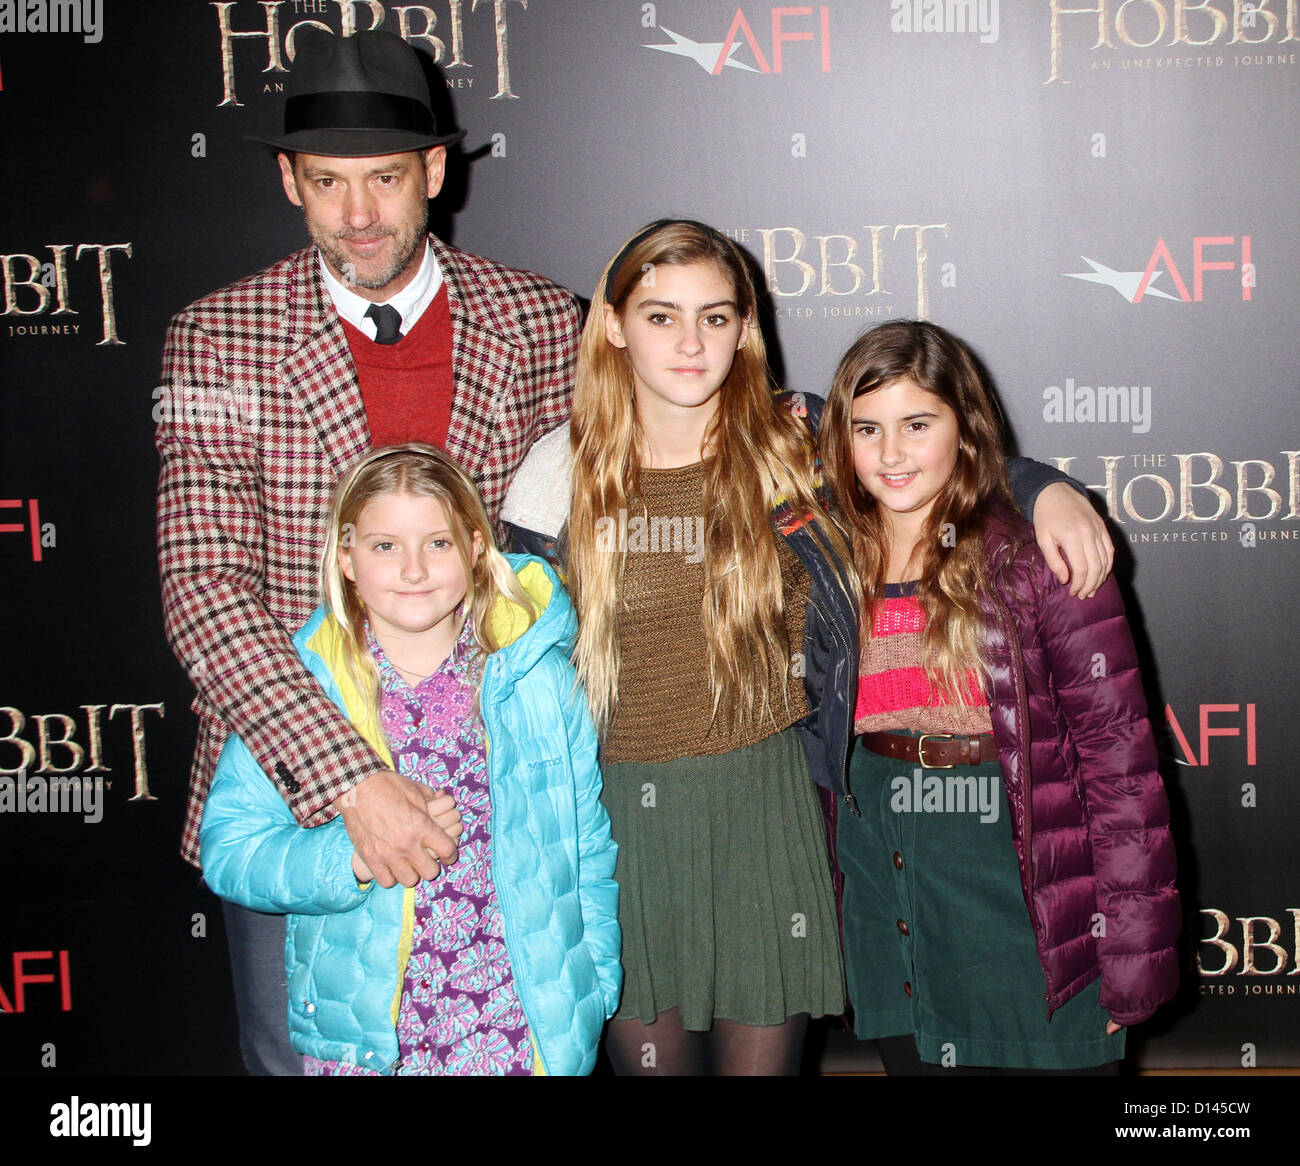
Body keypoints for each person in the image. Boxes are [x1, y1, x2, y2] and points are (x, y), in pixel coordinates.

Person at [501, 220, 1114, 1075]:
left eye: (716, 317)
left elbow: (926, 462)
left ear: (746, 329)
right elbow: (510, 670)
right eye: (661, 316)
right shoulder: (553, 474)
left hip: (770, 810)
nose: (690, 342)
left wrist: (1044, 489)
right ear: (612, 325)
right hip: (620, 827)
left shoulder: (796, 443)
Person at [155, 30, 580, 1073]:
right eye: (326, 182)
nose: (357, 216)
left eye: (384, 179)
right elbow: (204, 590)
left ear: (434, 171)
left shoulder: (538, 321)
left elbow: (688, 450)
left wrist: (1021, 484)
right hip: (296, 799)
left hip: (501, 792)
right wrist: (355, 781)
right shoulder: (216, 338)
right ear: (287, 178)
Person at [818, 319, 1180, 1074]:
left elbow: (1121, 767)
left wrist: (1129, 957)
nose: (890, 453)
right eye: (867, 428)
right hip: (883, 866)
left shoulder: (1039, 552)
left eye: (918, 424)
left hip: (1022, 869)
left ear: (963, 426)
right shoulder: (824, 556)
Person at [198, 444, 620, 1075]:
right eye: (385, 546)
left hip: (516, 1028)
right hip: (374, 1045)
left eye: (439, 543)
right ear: (346, 558)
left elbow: (587, 845)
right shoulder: (309, 690)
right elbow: (232, 849)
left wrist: (591, 986)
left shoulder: (539, 680)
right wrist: (350, 857)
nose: (415, 569)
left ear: (478, 549)